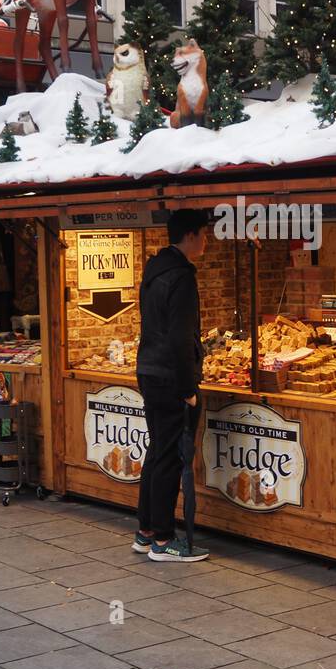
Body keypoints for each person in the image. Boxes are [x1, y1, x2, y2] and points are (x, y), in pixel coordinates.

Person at [133, 209, 209, 563]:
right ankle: (163, 540)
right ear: (191, 236)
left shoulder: (154, 271)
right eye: (204, 234)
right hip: (169, 376)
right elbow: (180, 337)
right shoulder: (180, 277)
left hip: (149, 370)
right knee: (170, 456)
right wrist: (187, 387)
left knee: (157, 451)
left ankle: (146, 530)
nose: (206, 241)